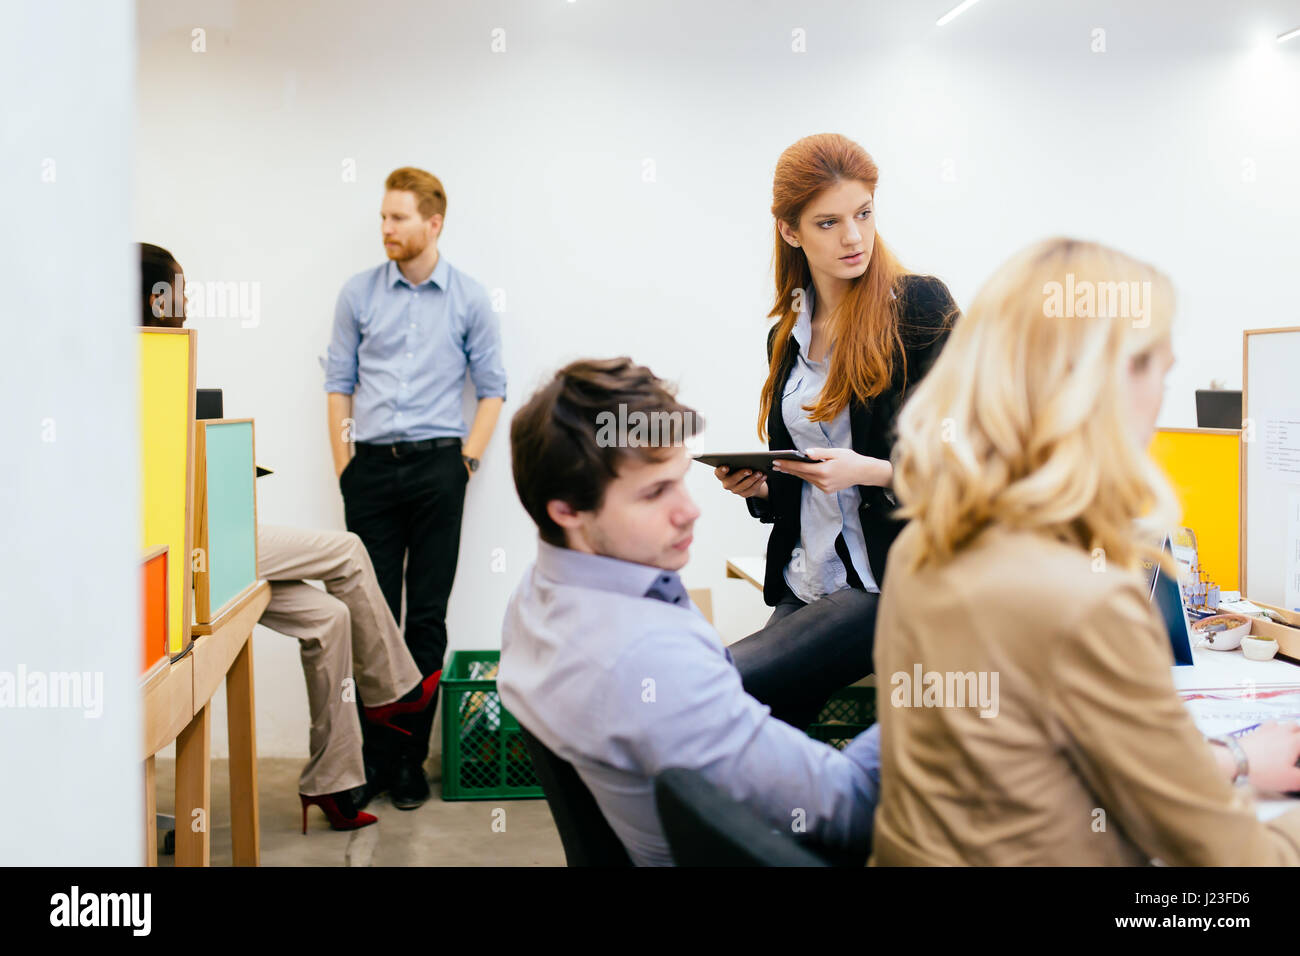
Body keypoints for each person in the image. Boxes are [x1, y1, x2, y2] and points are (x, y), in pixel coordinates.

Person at [872, 237, 1300, 865]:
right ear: (1097, 386)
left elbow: (1047, 776)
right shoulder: (1086, 598)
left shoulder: (925, 546)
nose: (1159, 408)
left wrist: (1234, 758)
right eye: (1159, 373)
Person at [497, 357, 881, 867]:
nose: (690, 510)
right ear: (567, 509)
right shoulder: (651, 660)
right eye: (655, 492)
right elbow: (850, 805)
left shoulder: (534, 599)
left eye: (679, 479)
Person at [139, 243, 435, 833]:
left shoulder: (155, 359)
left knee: (329, 619)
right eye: (182, 288)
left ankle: (332, 781)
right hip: (188, 550)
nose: (190, 299)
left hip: (205, 531)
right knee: (349, 551)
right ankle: (394, 691)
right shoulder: (144, 360)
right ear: (157, 298)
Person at [716, 133, 958, 730]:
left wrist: (871, 471)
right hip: (810, 576)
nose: (853, 237)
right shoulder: (786, 335)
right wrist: (763, 488)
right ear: (790, 231)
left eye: (863, 214)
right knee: (748, 733)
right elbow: (809, 487)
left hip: (888, 585)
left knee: (720, 686)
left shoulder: (920, 308)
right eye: (828, 222)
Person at [323, 167, 507, 809]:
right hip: (370, 472)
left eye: (397, 218)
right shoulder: (358, 294)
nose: (385, 229)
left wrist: (466, 463)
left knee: (424, 618)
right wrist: (345, 464)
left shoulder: (470, 299)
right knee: (366, 620)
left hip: (437, 470)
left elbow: (493, 389)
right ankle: (371, 760)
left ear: (433, 224)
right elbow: (338, 384)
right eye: (382, 217)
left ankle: (408, 762)